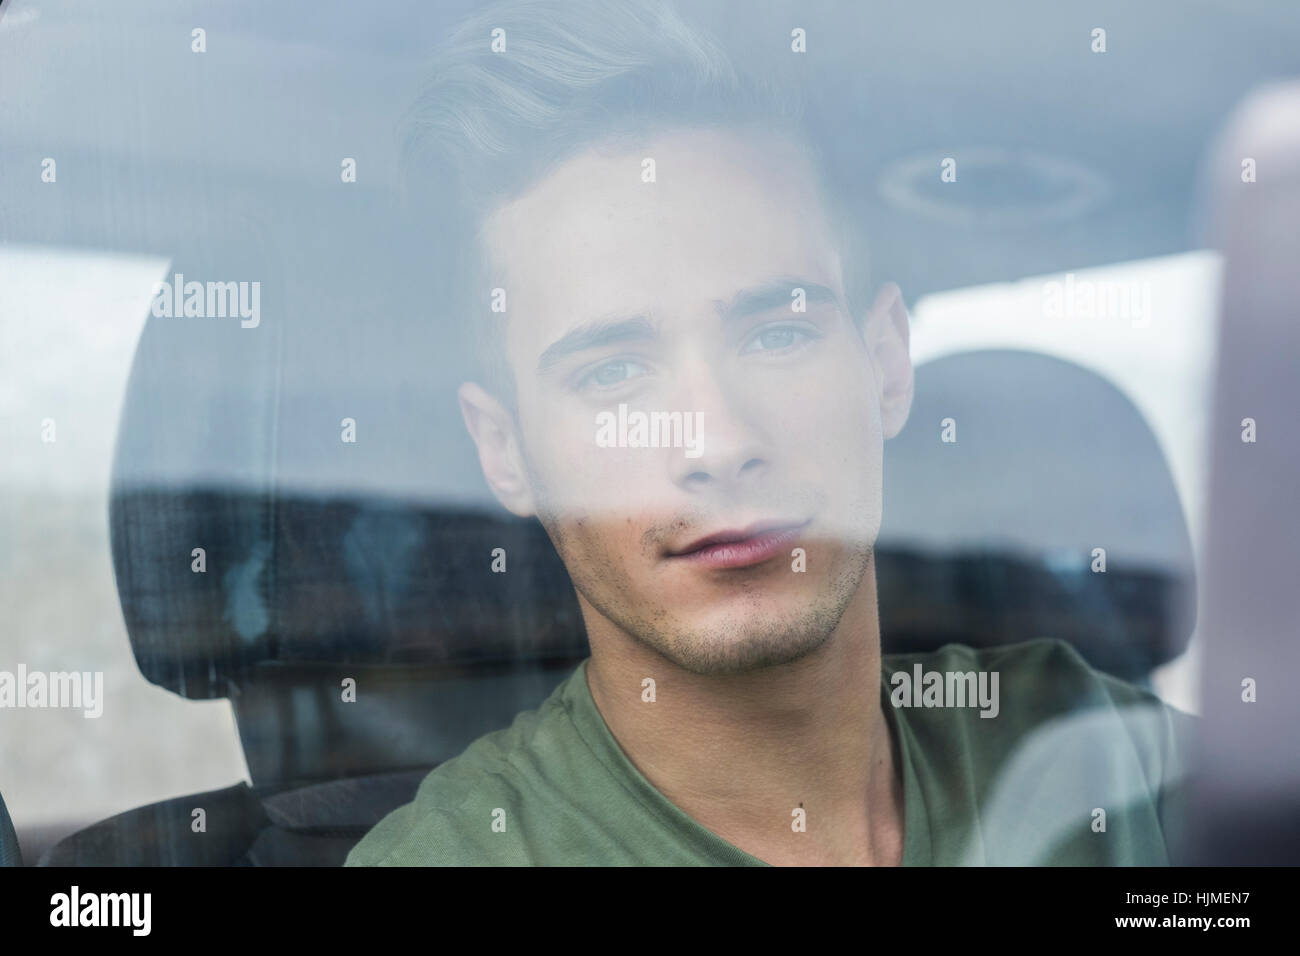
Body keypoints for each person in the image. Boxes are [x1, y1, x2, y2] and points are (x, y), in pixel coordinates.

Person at [347, 0, 1193, 866]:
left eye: (778, 334)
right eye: (612, 373)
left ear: (887, 367)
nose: (716, 441)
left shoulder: (1100, 755)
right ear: (505, 451)